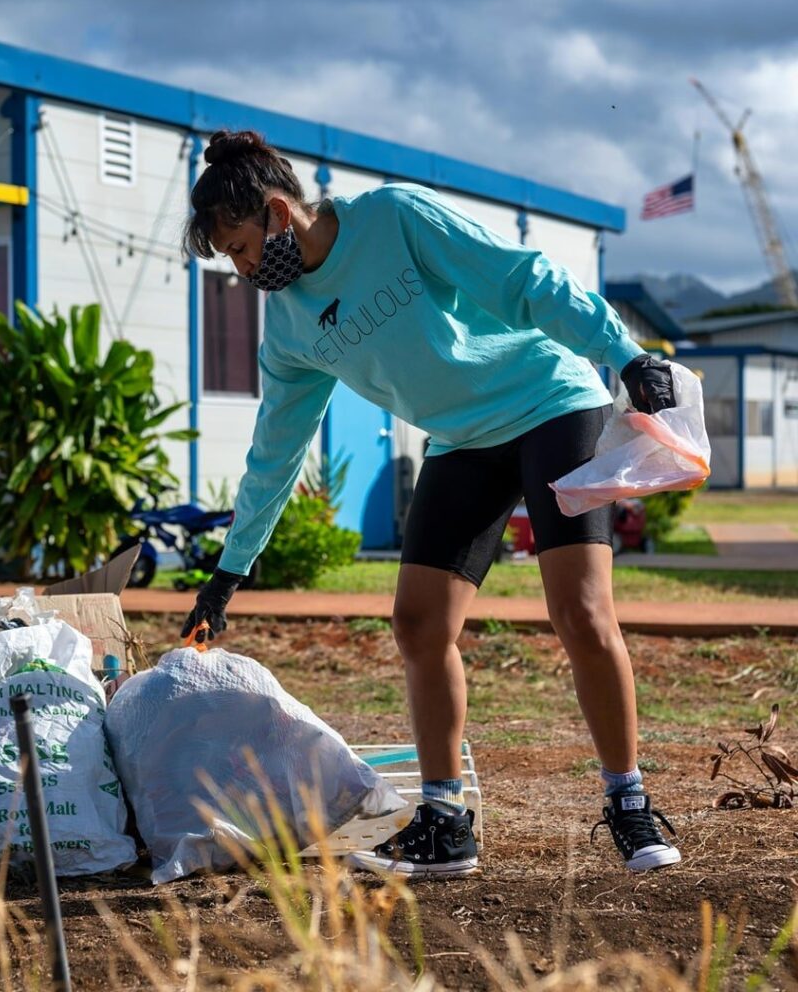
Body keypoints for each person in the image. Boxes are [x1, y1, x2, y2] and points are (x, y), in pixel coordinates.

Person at [181, 129, 681, 877]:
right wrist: (229, 573)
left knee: (579, 610)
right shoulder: (287, 327)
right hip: (462, 439)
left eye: (244, 248)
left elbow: (522, 278)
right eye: (232, 261)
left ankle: (629, 801)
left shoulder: (394, 219)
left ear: (278, 214)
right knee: (418, 623)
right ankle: (447, 822)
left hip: (549, 404)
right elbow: (275, 450)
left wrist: (625, 353)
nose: (245, 270)